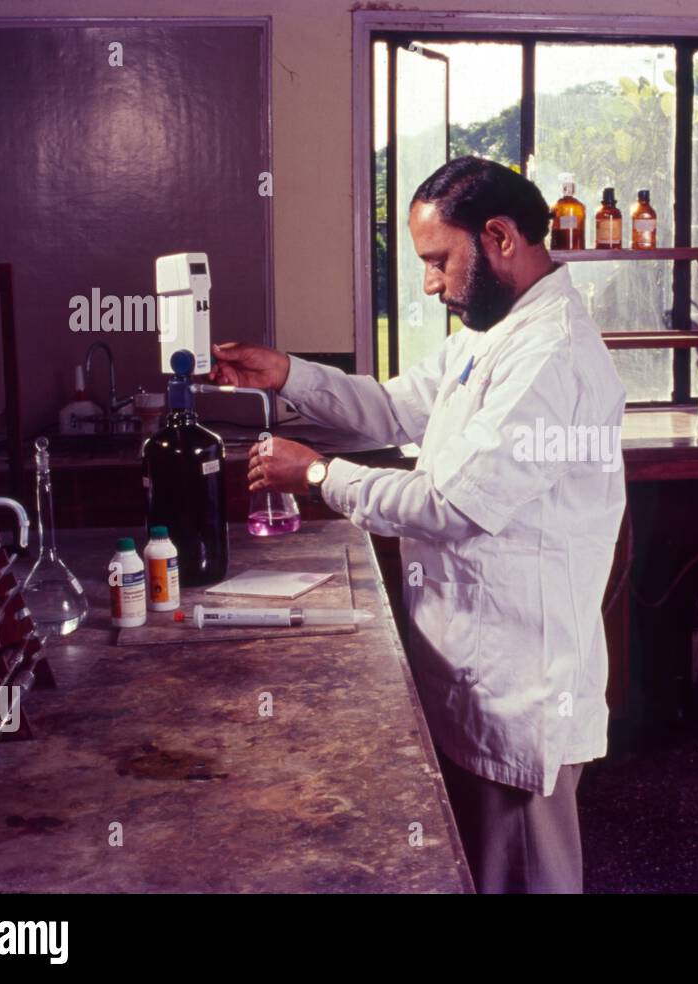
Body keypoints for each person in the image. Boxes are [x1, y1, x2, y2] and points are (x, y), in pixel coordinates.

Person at [210, 156, 627, 890]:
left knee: (524, 874)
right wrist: (288, 375)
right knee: (476, 870)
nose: (431, 283)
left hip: (518, 684)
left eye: (438, 261)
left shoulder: (549, 351)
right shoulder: (493, 330)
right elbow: (397, 406)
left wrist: (316, 475)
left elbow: (453, 505)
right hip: (471, 666)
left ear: (499, 235)